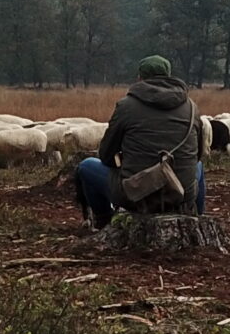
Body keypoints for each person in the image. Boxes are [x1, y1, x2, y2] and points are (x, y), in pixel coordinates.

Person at [75, 55, 209, 229]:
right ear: (168, 75)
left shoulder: (126, 106)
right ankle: (196, 219)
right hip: (180, 192)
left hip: (137, 194)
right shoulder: (192, 107)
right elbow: (197, 155)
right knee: (198, 168)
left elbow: (106, 154)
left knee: (86, 167)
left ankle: (103, 222)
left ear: (140, 77)